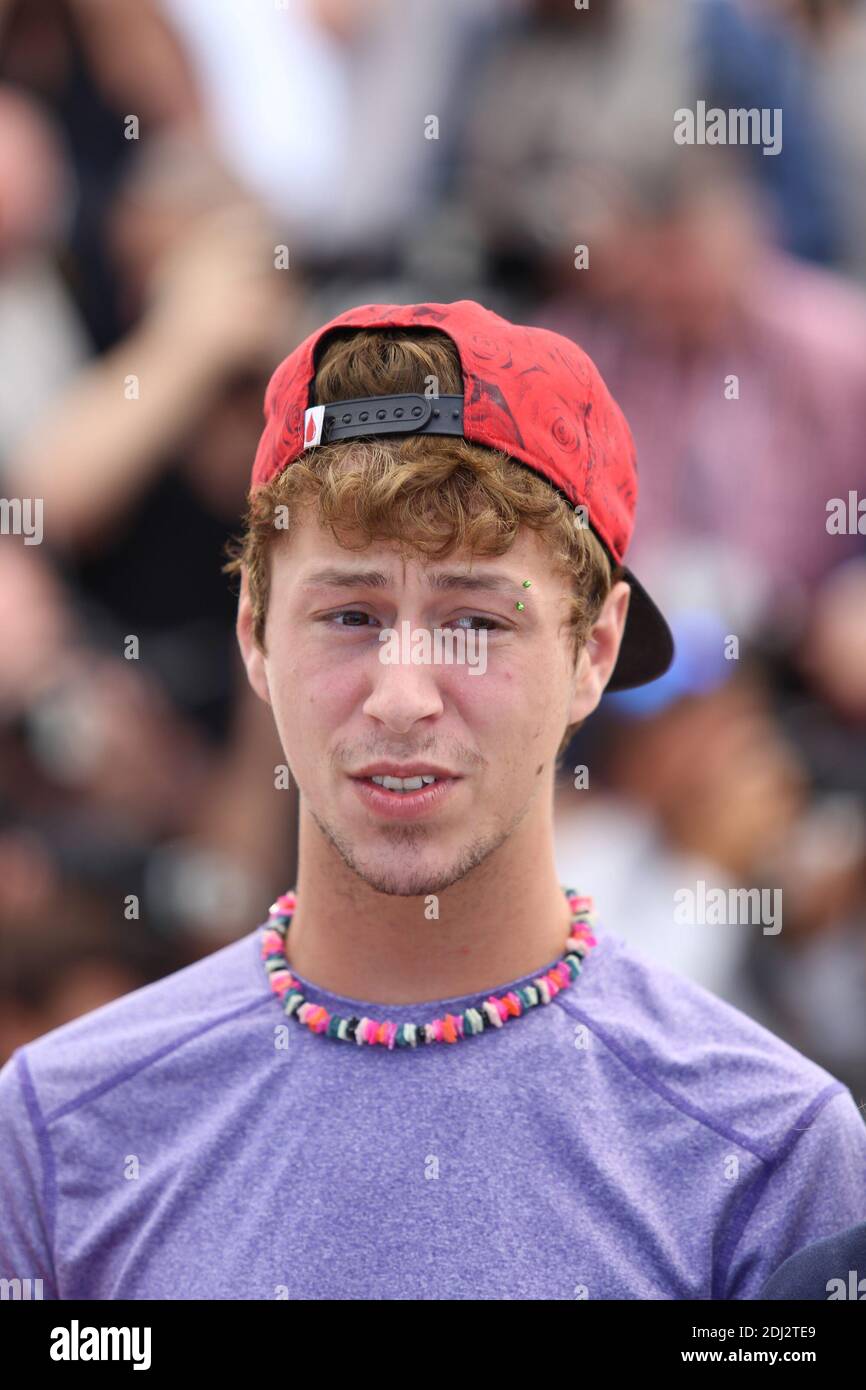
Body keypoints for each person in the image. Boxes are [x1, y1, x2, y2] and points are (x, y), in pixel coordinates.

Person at [1, 298, 864, 1300]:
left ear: (592, 650)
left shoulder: (768, 1155)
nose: (402, 695)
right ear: (254, 635)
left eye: (475, 622)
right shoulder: (57, 1132)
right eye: (350, 613)